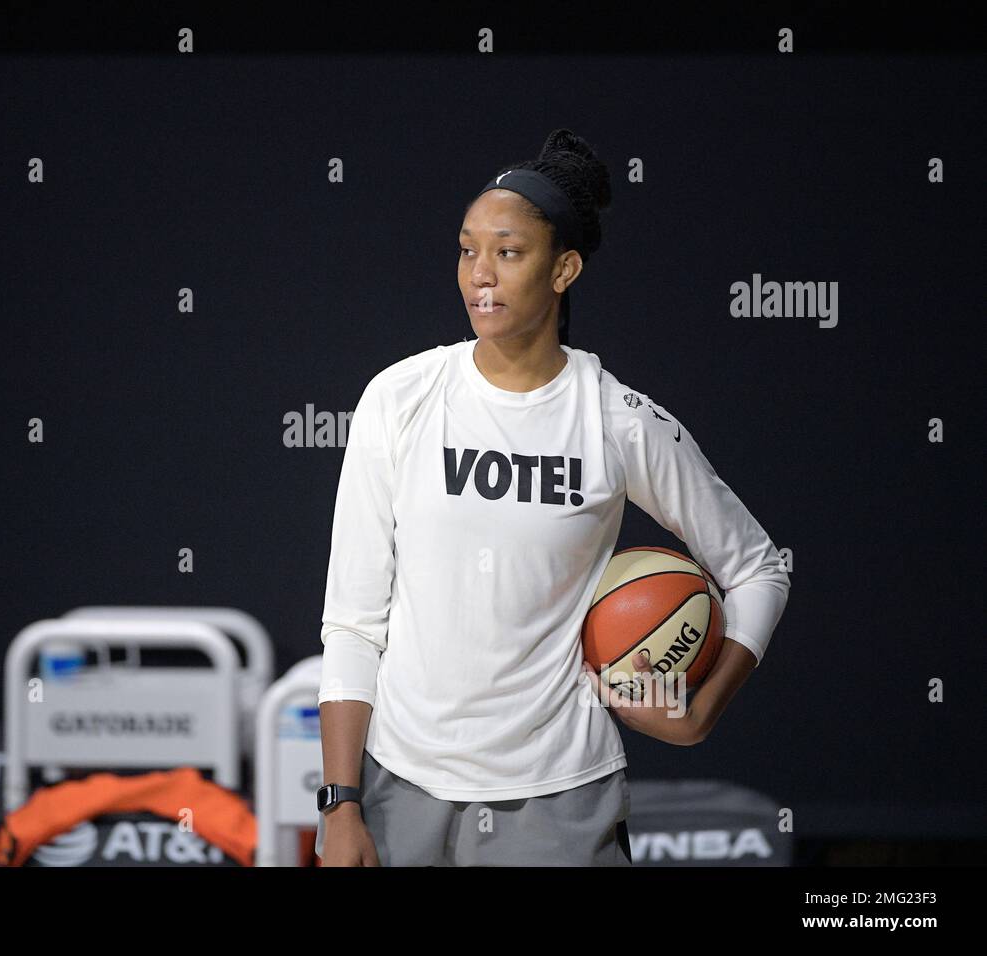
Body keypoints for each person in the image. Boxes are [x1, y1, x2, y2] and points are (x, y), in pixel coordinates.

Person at [314, 128, 791, 867]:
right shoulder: (400, 396)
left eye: (509, 252)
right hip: (398, 787)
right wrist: (340, 802)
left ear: (563, 268)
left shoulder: (617, 419)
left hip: (561, 798)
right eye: (468, 249)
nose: (482, 274)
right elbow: (352, 621)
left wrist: (701, 709)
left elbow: (760, 566)